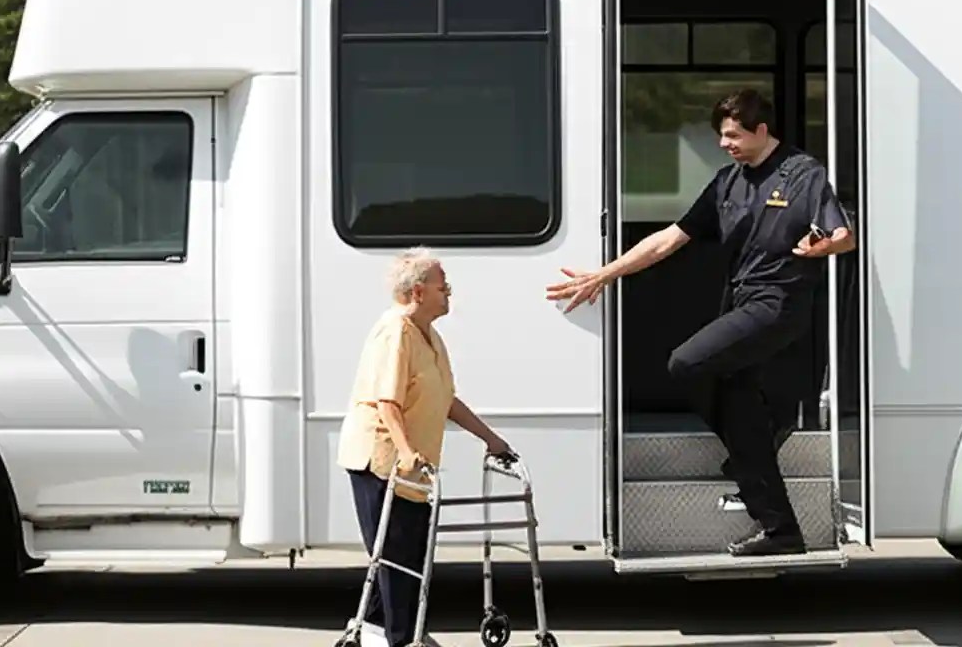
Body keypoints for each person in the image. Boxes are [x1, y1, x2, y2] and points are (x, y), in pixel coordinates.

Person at [546, 89, 855, 557]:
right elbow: (669, 239)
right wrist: (604, 274)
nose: (724, 143)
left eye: (733, 135)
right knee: (737, 401)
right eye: (721, 135)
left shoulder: (802, 174)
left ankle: (763, 435)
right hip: (741, 303)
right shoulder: (727, 182)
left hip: (780, 303)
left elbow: (843, 236)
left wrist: (822, 247)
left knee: (686, 363)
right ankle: (779, 528)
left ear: (762, 131)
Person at [337, 248, 513, 647]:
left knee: (406, 555)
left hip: (410, 466)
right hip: (381, 461)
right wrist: (405, 450)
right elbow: (387, 401)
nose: (449, 293)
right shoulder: (395, 331)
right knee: (397, 557)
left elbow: (447, 399)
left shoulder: (429, 335)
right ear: (418, 292)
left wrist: (491, 439)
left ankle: (379, 632)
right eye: (442, 286)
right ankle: (401, 639)